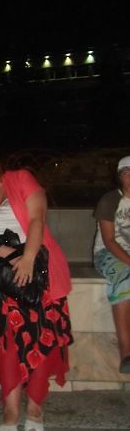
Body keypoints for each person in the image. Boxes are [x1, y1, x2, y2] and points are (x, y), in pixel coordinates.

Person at [0, 150, 73, 431]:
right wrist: (10, 256)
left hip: (39, 271)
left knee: (42, 340)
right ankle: (10, 407)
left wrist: (28, 258)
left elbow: (37, 219)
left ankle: (35, 405)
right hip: (0, 279)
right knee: (7, 344)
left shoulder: (20, 178)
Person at [93, 155, 130, 374]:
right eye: (126, 173)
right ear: (119, 177)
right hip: (107, 253)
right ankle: (126, 354)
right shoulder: (110, 200)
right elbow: (109, 241)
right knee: (126, 278)